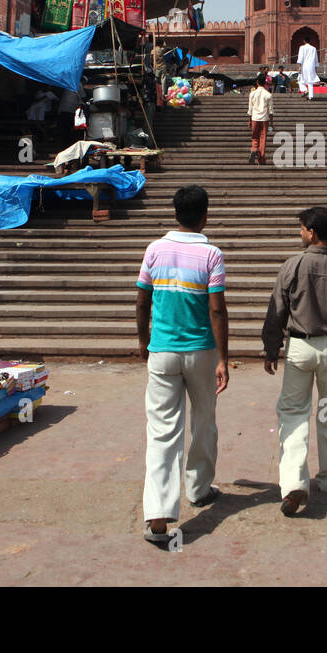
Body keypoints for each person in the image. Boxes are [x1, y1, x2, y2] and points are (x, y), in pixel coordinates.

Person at [135, 186, 228, 545]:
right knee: (204, 421)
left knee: (161, 431)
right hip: (201, 351)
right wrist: (223, 357)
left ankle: (158, 515)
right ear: (205, 215)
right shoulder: (212, 254)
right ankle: (199, 489)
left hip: (162, 351)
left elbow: (142, 300)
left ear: (175, 214)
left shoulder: (155, 249)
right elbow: (216, 308)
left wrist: (144, 342)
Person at [261, 206, 327, 516]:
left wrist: (271, 348)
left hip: (299, 348)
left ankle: (294, 482)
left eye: (303, 228)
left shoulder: (292, 266)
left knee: (293, 412)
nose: (300, 233)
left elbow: (276, 312)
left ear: (313, 233)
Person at [247, 74, 274, 165]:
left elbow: (250, 109)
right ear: (265, 82)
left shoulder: (252, 94)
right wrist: (272, 123)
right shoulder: (268, 94)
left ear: (257, 82)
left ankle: (254, 149)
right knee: (263, 138)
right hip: (264, 119)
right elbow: (270, 111)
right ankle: (261, 158)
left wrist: (249, 120)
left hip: (255, 117)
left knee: (255, 136)